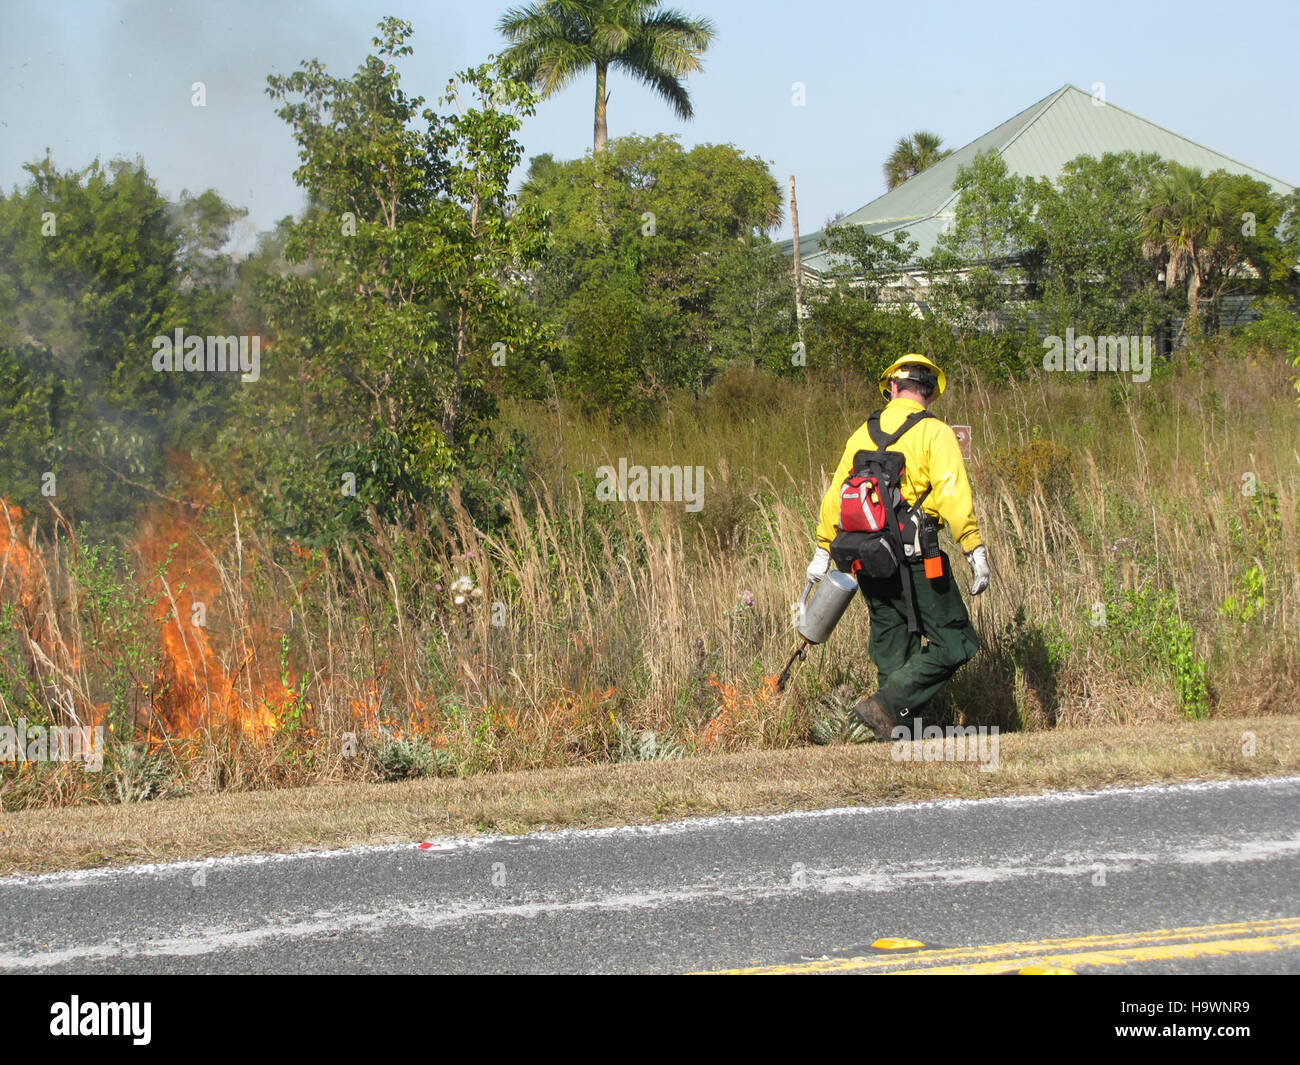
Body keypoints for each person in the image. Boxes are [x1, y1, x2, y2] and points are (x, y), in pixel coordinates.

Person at [806, 354, 989, 739]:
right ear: (929, 393)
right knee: (956, 642)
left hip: (868, 560)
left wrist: (823, 550)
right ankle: (888, 707)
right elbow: (952, 492)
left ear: (892, 388)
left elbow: (835, 498)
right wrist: (973, 547)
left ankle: (896, 731)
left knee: (892, 646)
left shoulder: (861, 434)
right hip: (920, 560)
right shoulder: (934, 432)